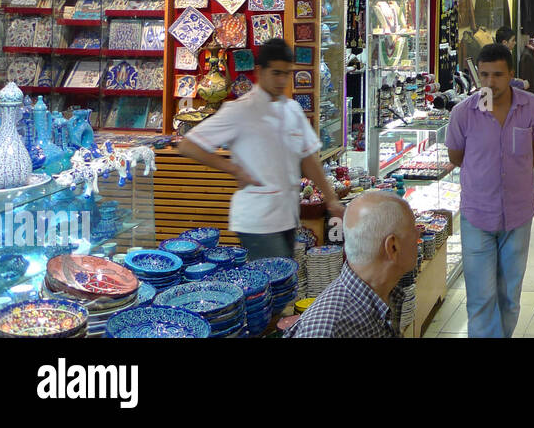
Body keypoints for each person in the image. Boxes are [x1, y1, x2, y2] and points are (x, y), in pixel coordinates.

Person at [179, 39, 343, 259]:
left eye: (286, 73)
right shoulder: (240, 110)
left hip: (286, 216)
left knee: (285, 283)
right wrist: (234, 169)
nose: (282, 80)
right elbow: (188, 145)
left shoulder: (292, 110)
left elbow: (308, 158)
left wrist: (331, 199)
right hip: (256, 220)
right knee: (276, 282)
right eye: (276, 73)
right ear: (259, 70)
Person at [445, 43, 534, 338]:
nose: (490, 82)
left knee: (509, 298)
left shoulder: (532, 108)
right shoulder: (464, 114)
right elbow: (455, 157)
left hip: (518, 215)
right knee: (481, 298)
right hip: (477, 216)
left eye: (497, 75)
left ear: (511, 74)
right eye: (484, 75)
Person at [287, 192, 417, 337]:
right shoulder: (326, 331)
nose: (418, 236)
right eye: (413, 230)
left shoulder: (385, 295)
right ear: (392, 247)